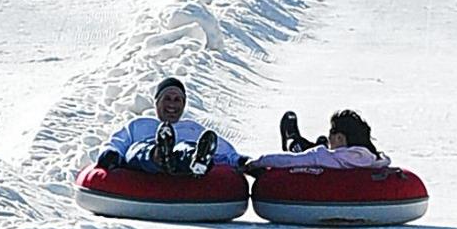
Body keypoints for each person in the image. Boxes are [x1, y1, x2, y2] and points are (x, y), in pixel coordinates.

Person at [95, 77, 245, 176]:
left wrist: (243, 162)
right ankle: (158, 154)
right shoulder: (139, 125)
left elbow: (227, 153)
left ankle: (195, 158)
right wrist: (110, 154)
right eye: (167, 99)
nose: (172, 104)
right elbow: (117, 143)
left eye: (177, 100)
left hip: (181, 168)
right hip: (143, 163)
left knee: (186, 147)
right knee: (138, 149)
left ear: (183, 104)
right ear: (156, 103)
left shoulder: (193, 129)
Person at [244, 109, 390, 172]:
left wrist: (256, 163)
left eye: (332, 132)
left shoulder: (326, 157)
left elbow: (289, 161)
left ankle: (292, 139)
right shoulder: (373, 159)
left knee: (302, 149)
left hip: (311, 157)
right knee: (320, 145)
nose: (330, 136)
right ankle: (317, 143)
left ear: (340, 137)